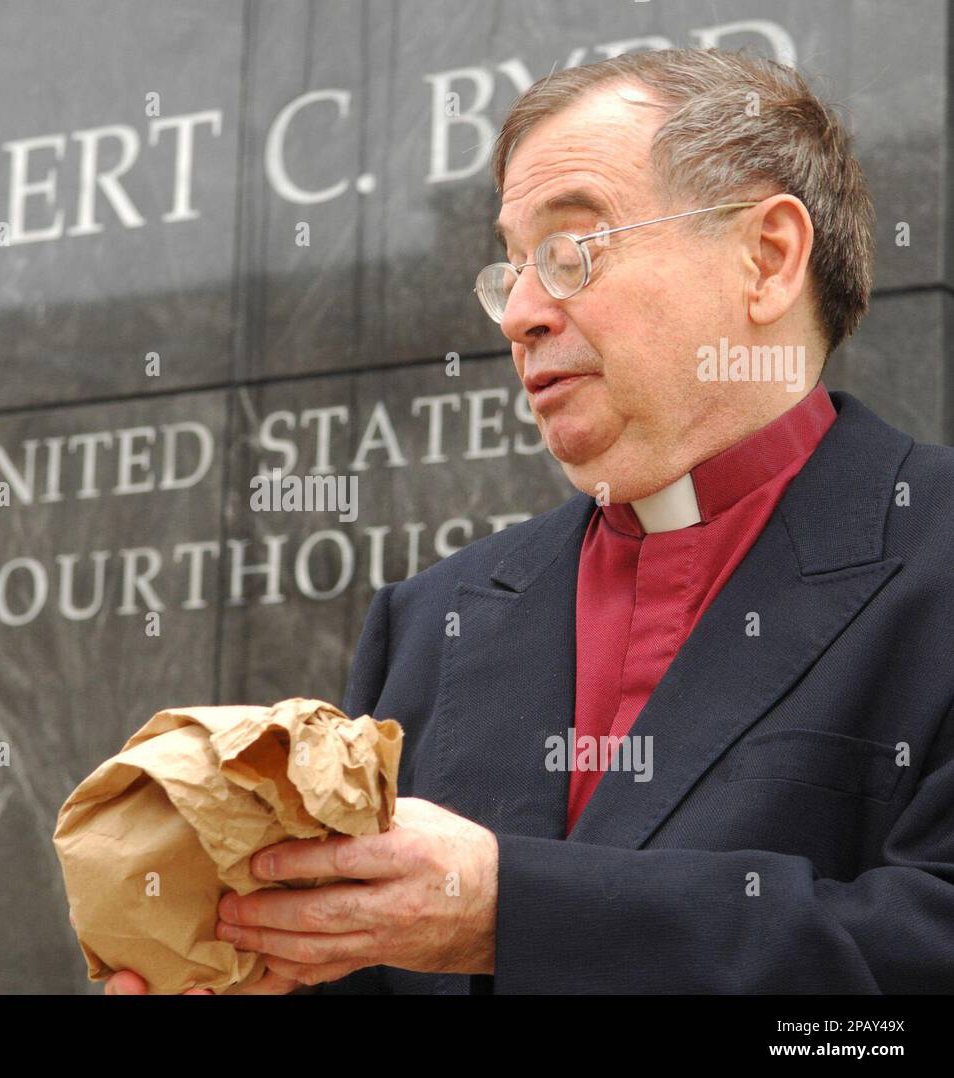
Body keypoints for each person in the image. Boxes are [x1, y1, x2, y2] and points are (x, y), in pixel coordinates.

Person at [106, 47, 954, 995]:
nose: (519, 315)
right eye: (509, 271)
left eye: (571, 251)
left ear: (767, 259)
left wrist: (513, 915)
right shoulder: (435, 621)